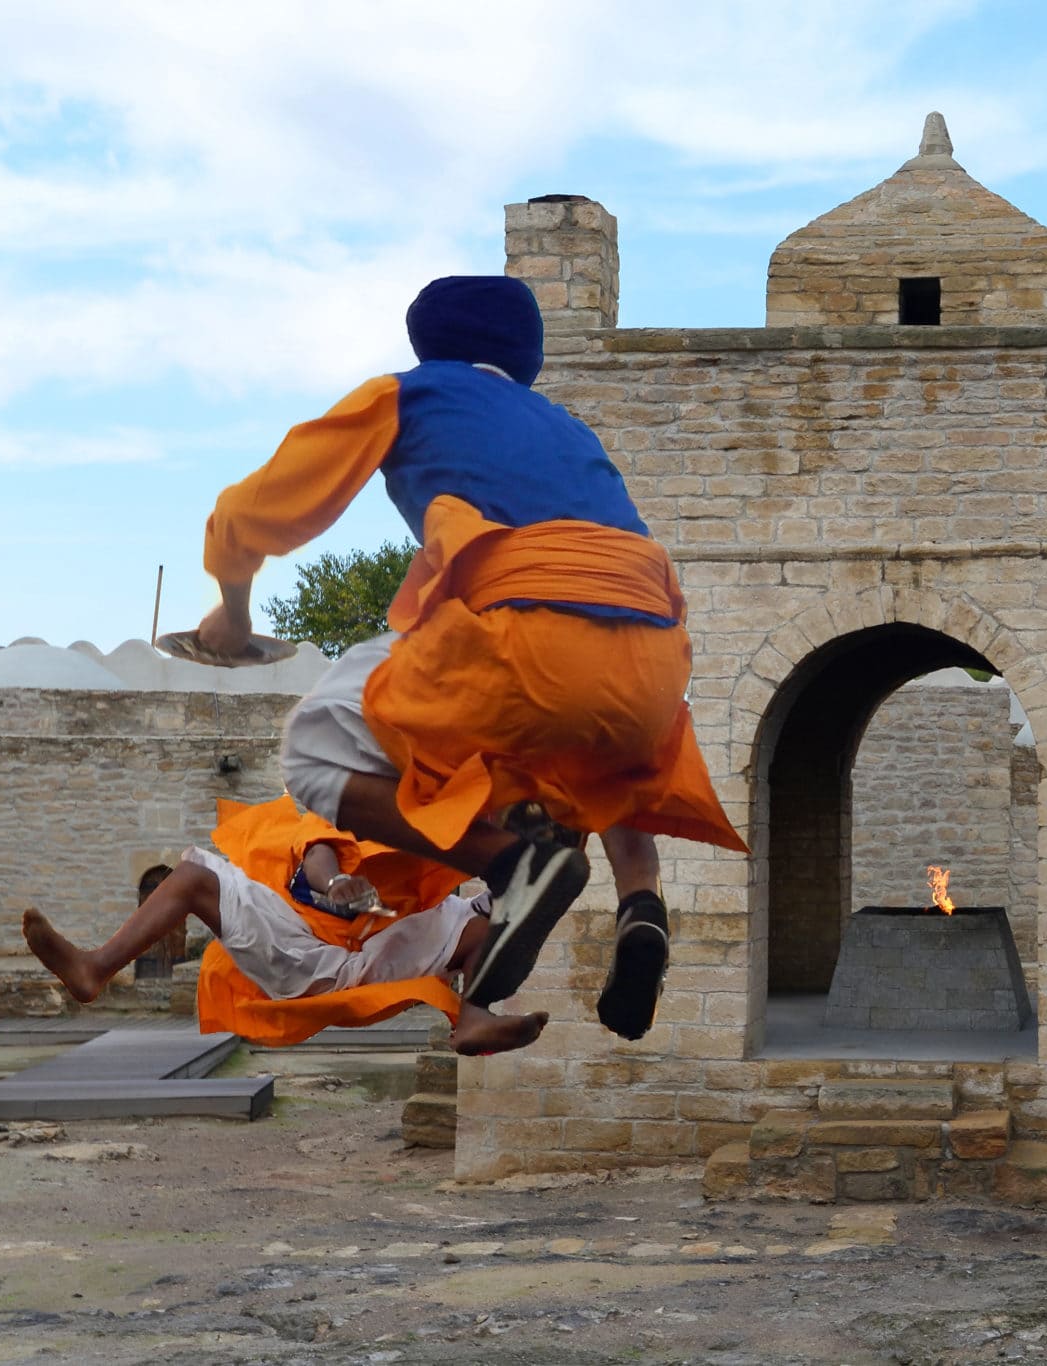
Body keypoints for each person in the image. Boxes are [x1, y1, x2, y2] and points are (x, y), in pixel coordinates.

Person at [194, 275, 745, 1038]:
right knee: (598, 762)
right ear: (530, 360)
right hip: (653, 656)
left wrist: (232, 612)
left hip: (526, 630)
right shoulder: (570, 431)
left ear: (427, 340)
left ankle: (507, 861)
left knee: (314, 751)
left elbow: (255, 513)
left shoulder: (410, 394)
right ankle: (633, 910)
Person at [21, 795, 549, 1056]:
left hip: (395, 945)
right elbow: (319, 856)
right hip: (309, 951)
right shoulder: (349, 804)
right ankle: (94, 969)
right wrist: (333, 884)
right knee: (193, 876)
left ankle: (475, 1018)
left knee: (500, 913)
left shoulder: (444, 828)